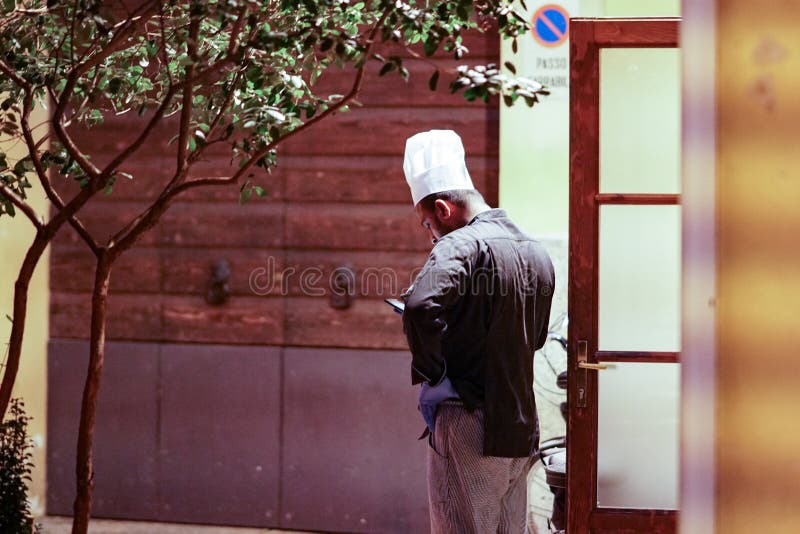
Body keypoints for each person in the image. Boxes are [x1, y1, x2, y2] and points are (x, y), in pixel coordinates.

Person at [399, 129, 555, 534]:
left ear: (443, 209)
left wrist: (434, 371)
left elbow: (419, 305)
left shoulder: (460, 245)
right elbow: (535, 337)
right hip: (519, 426)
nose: (429, 235)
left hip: (469, 424)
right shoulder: (534, 250)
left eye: (426, 224)